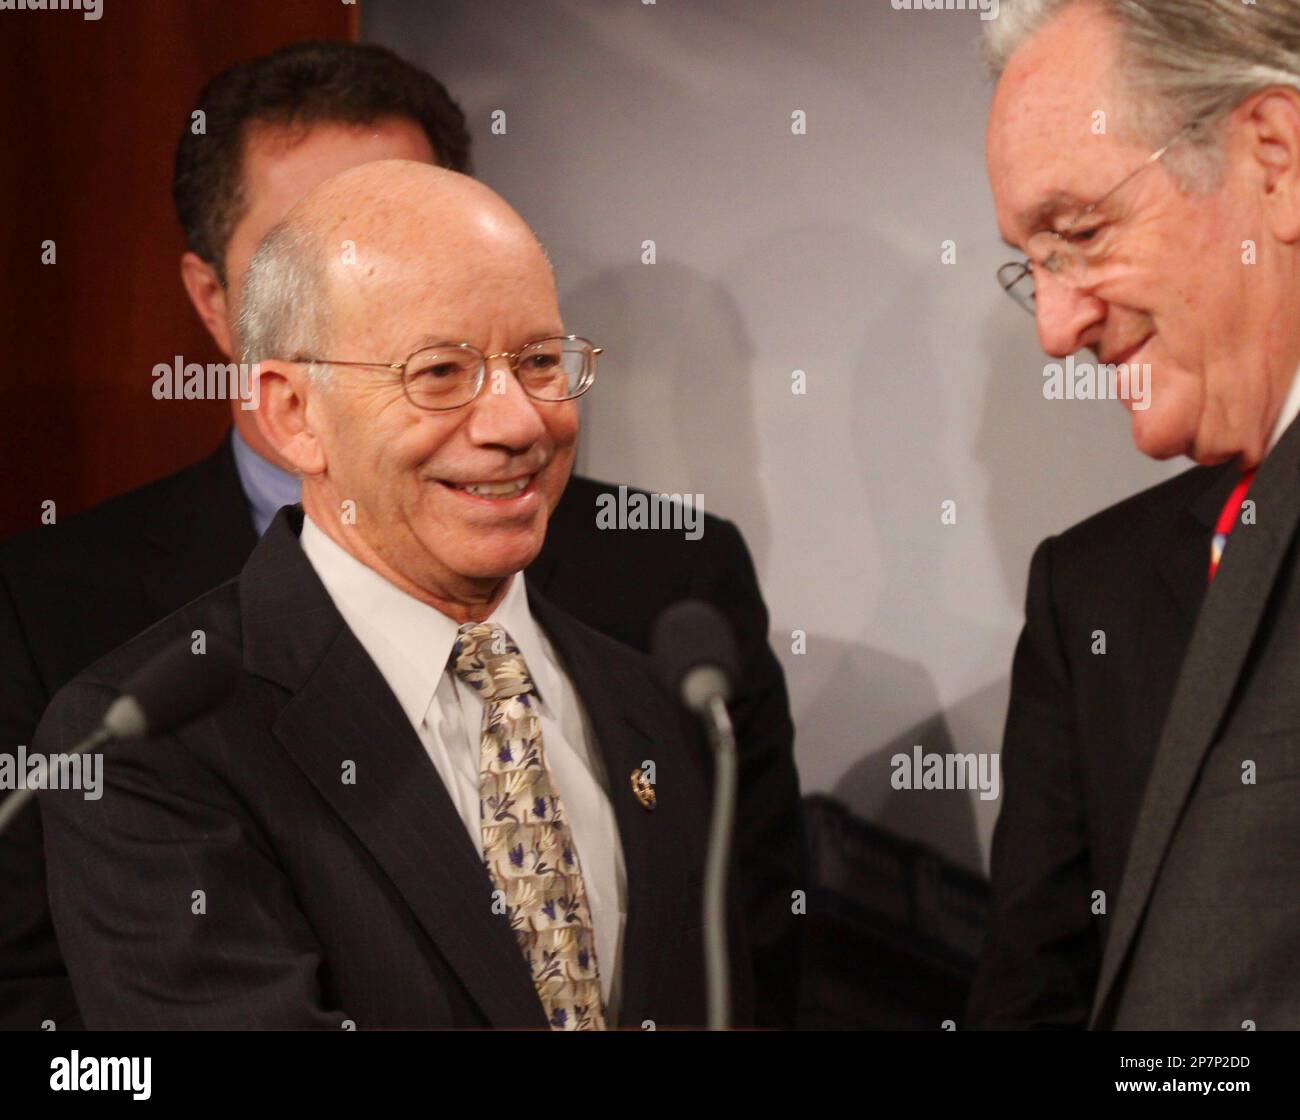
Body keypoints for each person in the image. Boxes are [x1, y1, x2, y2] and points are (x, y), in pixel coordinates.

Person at [0, 41, 803, 1029]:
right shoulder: (147, 742)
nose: (517, 421)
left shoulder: (662, 699)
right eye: (439, 373)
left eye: (540, 360)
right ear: (293, 412)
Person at [969, 0, 1300, 1029]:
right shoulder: (1097, 589)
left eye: (1079, 232)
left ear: (1274, 157)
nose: (1055, 329)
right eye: (1037, 263)